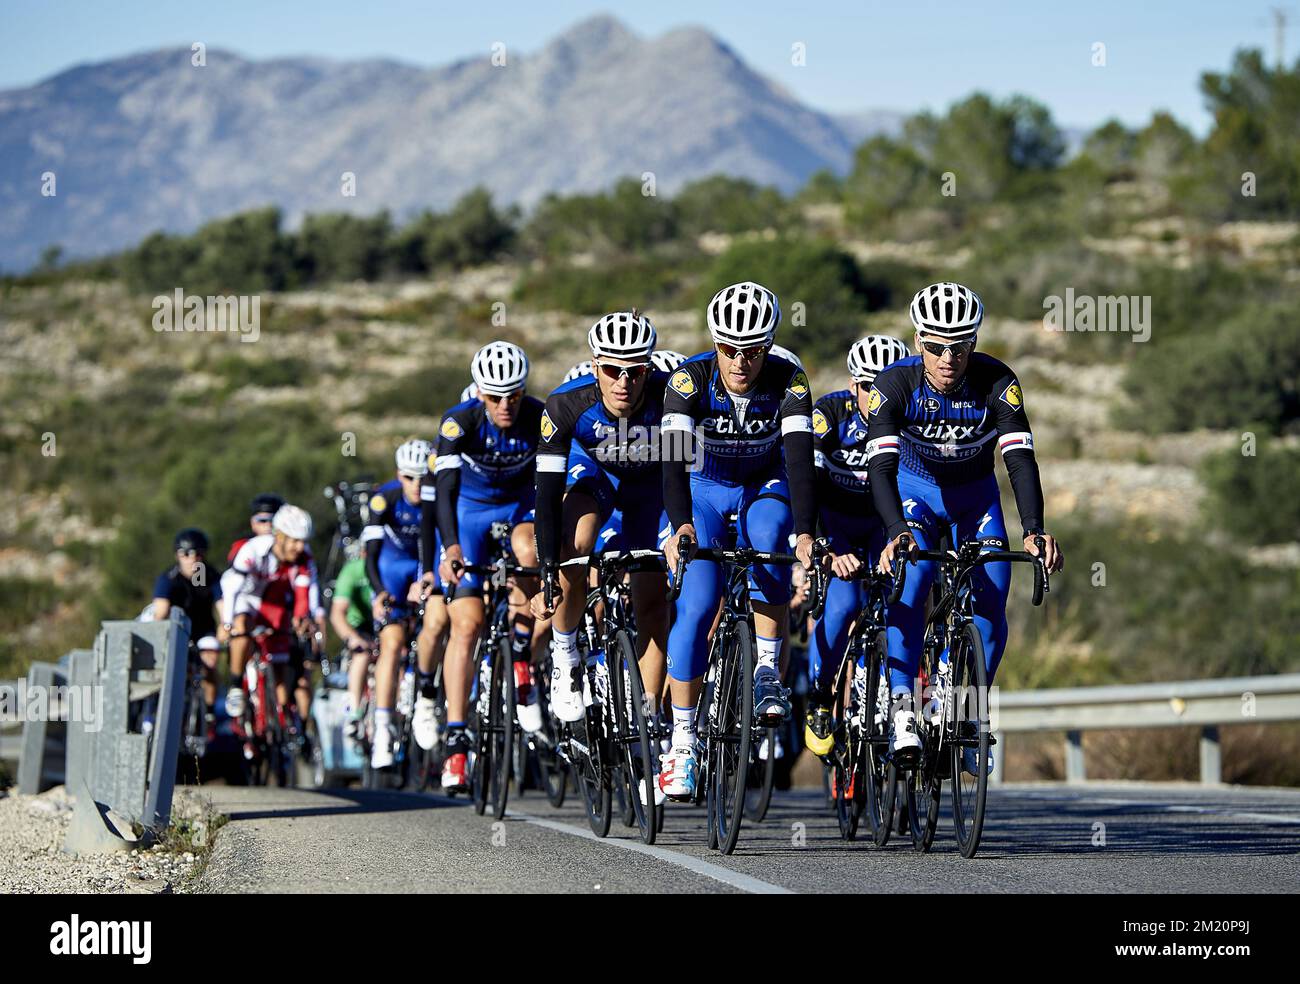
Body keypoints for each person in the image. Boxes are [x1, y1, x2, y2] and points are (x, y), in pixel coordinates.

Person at [867, 283, 1064, 773]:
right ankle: (902, 709)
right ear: (918, 343)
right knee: (911, 586)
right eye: (936, 346)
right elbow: (879, 470)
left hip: (976, 502)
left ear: (974, 343)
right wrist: (895, 530)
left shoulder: (999, 382)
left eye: (960, 345)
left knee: (994, 603)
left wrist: (1035, 529)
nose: (948, 357)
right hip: (915, 496)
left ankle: (967, 712)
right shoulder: (893, 386)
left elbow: (1019, 460)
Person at [658, 282, 819, 799]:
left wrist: (807, 534)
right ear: (714, 341)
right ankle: (682, 744)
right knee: (699, 603)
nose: (740, 361)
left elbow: (798, 462)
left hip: (763, 484)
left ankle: (768, 668)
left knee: (772, 533)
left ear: (768, 346)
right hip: (703, 491)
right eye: (728, 349)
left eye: (752, 351)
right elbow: (672, 463)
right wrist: (680, 524)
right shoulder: (687, 381)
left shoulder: (790, 381)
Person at [530, 313, 671, 750]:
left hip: (651, 487)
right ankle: (565, 651)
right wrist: (548, 570)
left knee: (653, 598)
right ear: (596, 368)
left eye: (635, 369)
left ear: (648, 368)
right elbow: (547, 495)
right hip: (597, 479)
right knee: (579, 540)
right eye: (613, 369)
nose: (624, 380)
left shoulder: (672, 397)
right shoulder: (565, 405)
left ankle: (648, 719)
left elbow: (687, 473)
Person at [428, 341, 545, 792]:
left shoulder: (539, 415)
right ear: (479, 392)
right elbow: (445, 489)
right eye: (494, 396)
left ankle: (519, 652)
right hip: (470, 516)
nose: (504, 405)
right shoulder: (460, 421)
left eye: (512, 395)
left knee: (529, 552)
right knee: (467, 625)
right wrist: (451, 548)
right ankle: (456, 742)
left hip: (520, 509)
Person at [803, 335, 910, 757]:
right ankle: (820, 697)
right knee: (844, 605)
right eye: (868, 386)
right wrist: (823, 547)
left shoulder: (907, 417)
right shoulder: (828, 416)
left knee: (909, 600)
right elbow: (806, 485)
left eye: (885, 384)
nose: (876, 395)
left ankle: (904, 703)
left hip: (885, 525)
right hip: (838, 527)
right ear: (853, 386)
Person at [362, 439, 450, 769]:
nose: (417, 485)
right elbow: (369, 556)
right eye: (410, 478)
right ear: (400, 476)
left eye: (422, 477)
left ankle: (424, 686)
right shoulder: (384, 499)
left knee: (438, 626)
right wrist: (380, 592)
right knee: (392, 642)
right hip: (392, 568)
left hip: (423, 566)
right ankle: (383, 727)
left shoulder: (434, 494)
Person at [220, 505, 323, 735]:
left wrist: (301, 619)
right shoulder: (253, 550)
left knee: (281, 654)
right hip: (244, 598)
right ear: (280, 536)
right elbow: (231, 589)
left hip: (271, 601)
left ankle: (279, 717)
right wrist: (226, 623)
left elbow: (303, 596)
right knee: (241, 627)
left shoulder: (304, 558)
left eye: (302, 541)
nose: (300, 547)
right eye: (295, 541)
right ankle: (236, 686)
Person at [152, 527, 222, 709]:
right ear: (177, 555)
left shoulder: (210, 576)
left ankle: (209, 711)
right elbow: (160, 612)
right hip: (177, 631)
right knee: (173, 670)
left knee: (210, 665)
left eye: (197, 553)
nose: (192, 559)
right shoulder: (169, 578)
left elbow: (223, 608)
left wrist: (225, 628)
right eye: (186, 553)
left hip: (203, 629)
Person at [327, 544, 376, 747]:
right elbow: (337, 613)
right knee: (362, 654)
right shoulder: (353, 570)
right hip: (358, 625)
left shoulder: (390, 566)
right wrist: (352, 638)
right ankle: (354, 712)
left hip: (385, 622)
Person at [226, 492, 285, 564]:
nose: (268, 525)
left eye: (274, 520)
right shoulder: (243, 548)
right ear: (253, 523)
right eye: (263, 520)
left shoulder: (292, 549)